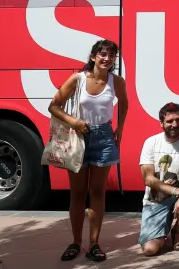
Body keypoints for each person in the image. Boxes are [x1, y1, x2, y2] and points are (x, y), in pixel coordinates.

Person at [49, 39, 129, 263]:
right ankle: (75, 242)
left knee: (98, 192)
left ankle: (94, 243)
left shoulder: (117, 82)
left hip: (104, 138)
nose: (107, 58)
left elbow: (124, 102)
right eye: (102, 54)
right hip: (78, 137)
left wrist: (120, 128)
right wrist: (74, 122)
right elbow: (54, 105)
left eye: (111, 55)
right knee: (77, 193)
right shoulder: (78, 79)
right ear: (93, 57)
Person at [138, 103, 179, 256]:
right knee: (149, 249)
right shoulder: (151, 143)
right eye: (170, 121)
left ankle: (178, 229)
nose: (175, 124)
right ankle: (161, 229)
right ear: (161, 123)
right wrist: (177, 190)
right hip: (155, 200)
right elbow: (148, 179)